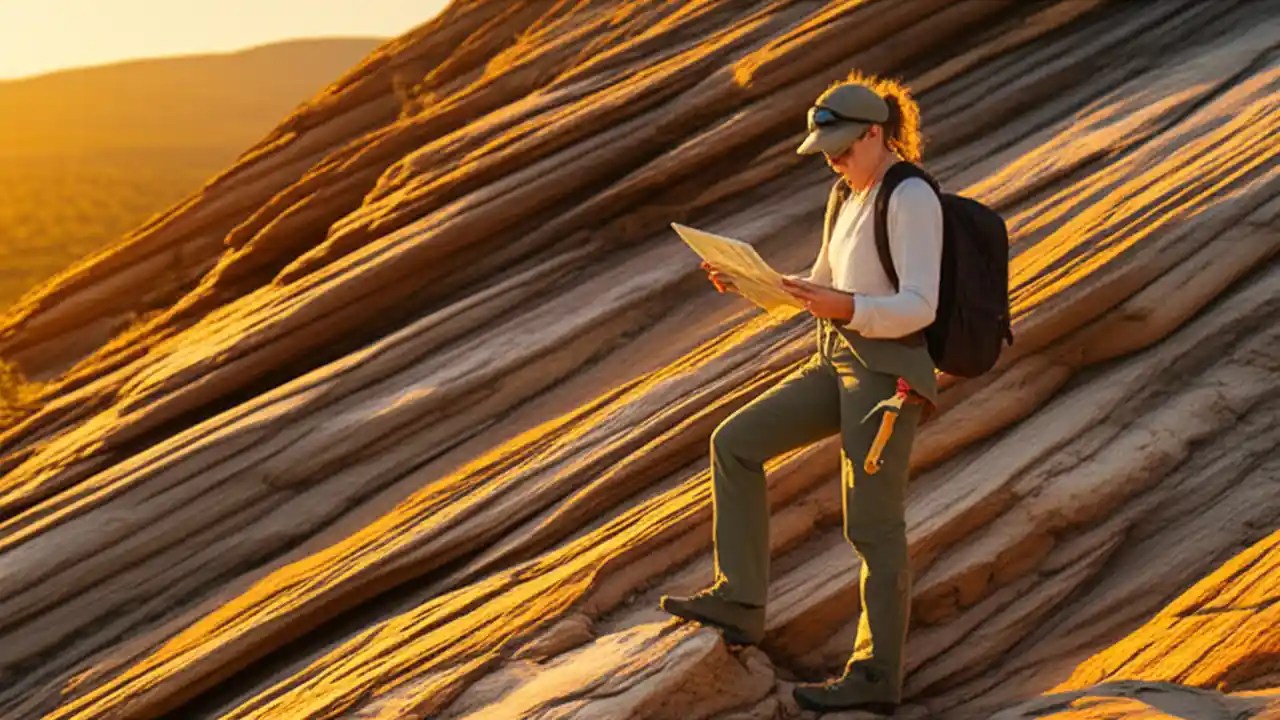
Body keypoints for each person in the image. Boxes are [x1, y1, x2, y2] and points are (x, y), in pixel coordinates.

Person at [658, 72, 943, 715]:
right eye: (826, 151)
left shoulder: (912, 197)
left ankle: (876, 676)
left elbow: (919, 307)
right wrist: (755, 284)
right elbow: (822, 282)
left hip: (888, 373)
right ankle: (739, 600)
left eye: (843, 146)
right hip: (835, 358)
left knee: (872, 524)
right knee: (734, 443)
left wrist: (844, 305)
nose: (834, 160)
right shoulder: (845, 195)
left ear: (877, 133)